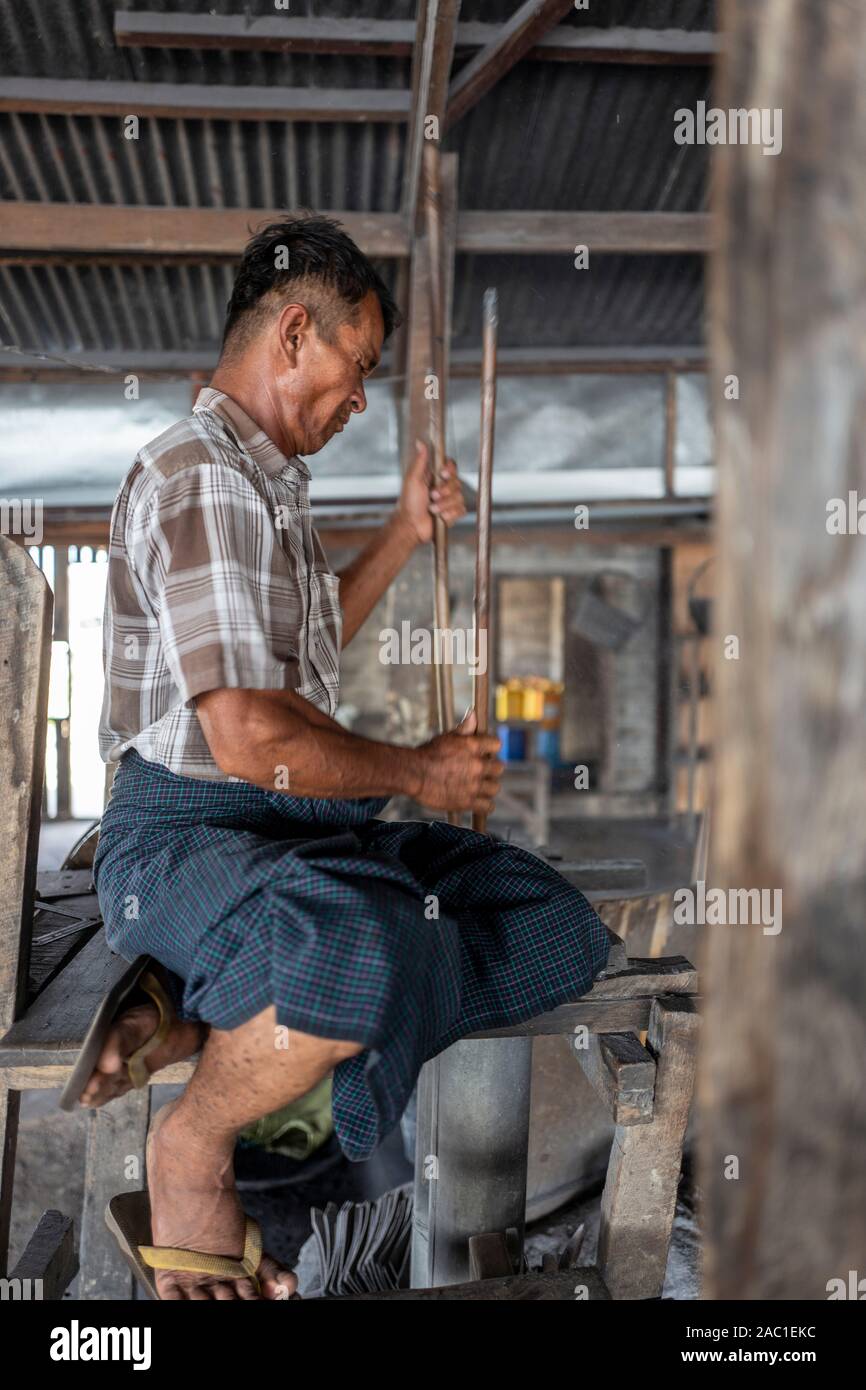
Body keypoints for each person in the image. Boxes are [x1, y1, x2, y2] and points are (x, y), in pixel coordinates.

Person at [88, 214, 611, 1299]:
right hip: (183, 837)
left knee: (545, 923)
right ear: (292, 333)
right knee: (363, 940)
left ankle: (233, 1012)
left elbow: (313, 626)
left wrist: (409, 533)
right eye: (356, 366)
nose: (361, 397)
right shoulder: (202, 479)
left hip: (291, 834)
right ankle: (194, 1149)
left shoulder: (265, 481)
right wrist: (417, 772)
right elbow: (248, 737)